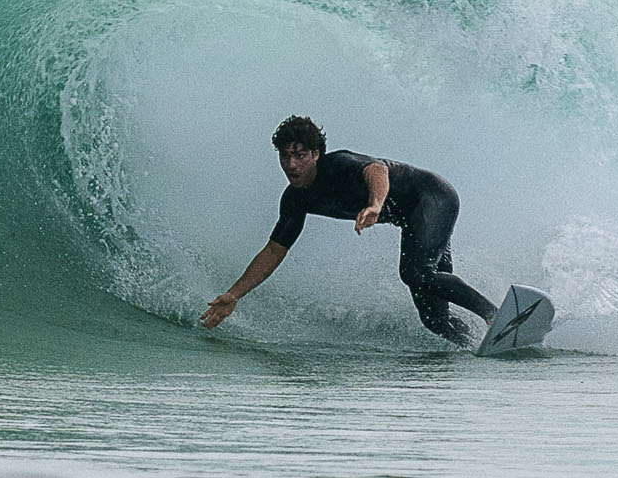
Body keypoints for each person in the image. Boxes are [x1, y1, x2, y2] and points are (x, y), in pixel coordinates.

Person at [199, 115, 501, 342]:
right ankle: (478, 345)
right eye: (285, 156)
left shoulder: (337, 164)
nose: (292, 164)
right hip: (414, 220)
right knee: (434, 319)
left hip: (433, 198)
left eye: (300, 155)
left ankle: (495, 316)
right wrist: (235, 294)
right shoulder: (295, 200)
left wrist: (375, 204)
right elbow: (275, 250)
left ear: (316, 154)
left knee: (415, 273)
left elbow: (377, 169)